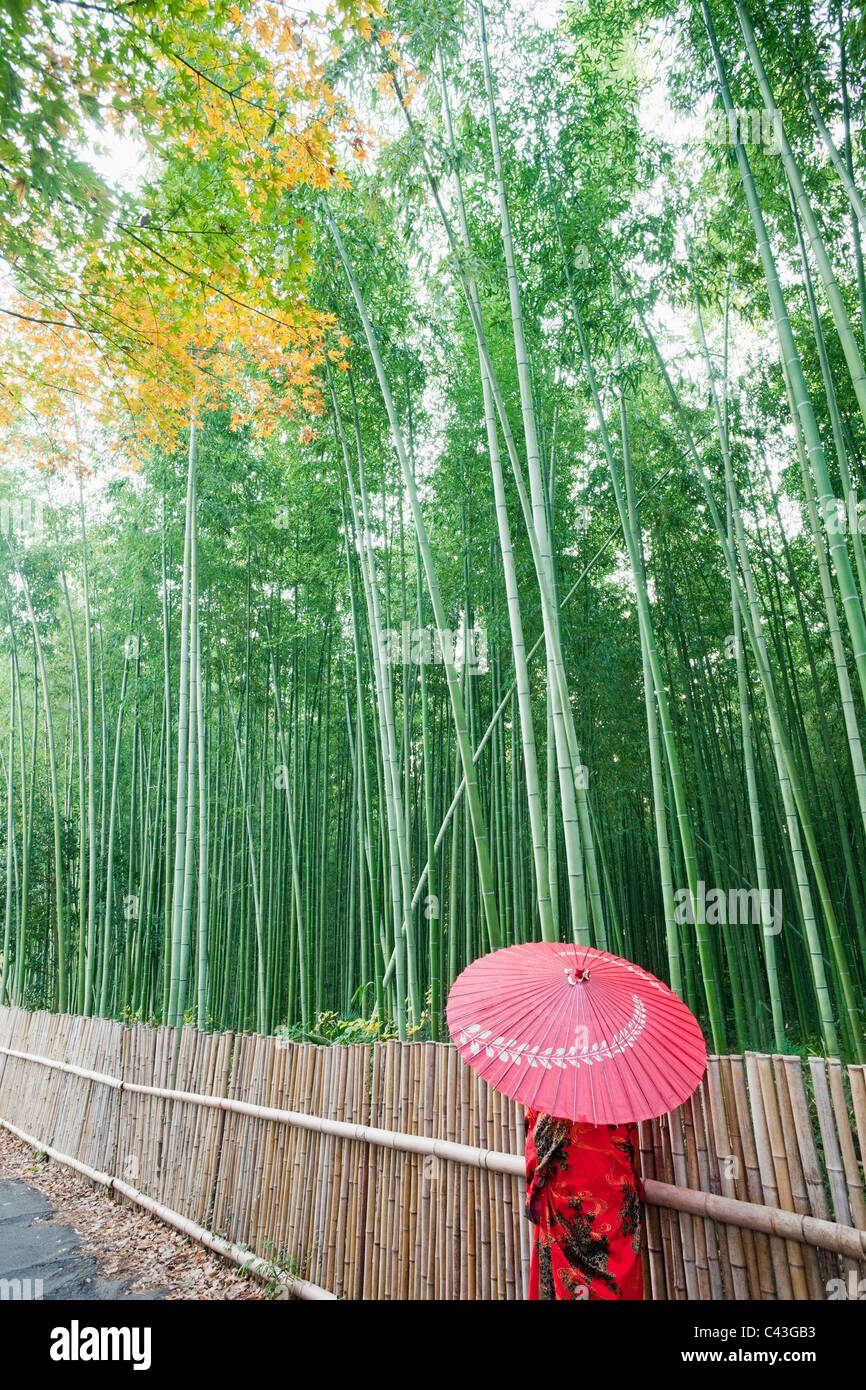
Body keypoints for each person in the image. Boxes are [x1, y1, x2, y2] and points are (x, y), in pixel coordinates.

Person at [524, 1107, 645, 1300]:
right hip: (614, 1204)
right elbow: (631, 1152)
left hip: (565, 1205)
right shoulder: (619, 1101)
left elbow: (535, 1156)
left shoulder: (552, 1101)